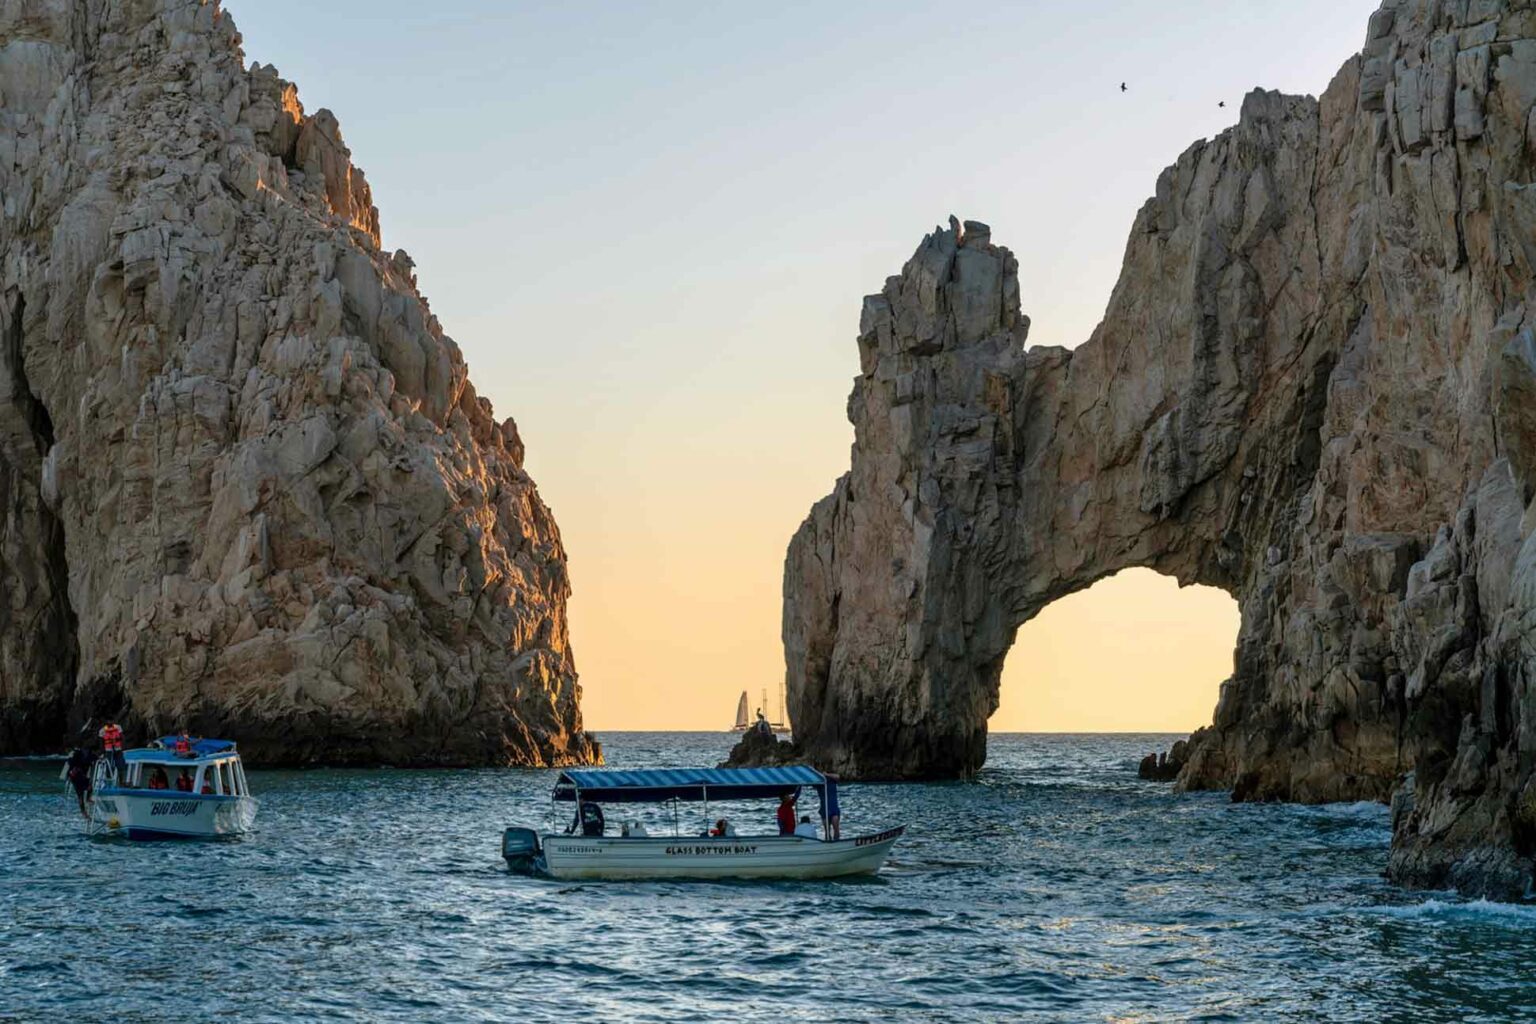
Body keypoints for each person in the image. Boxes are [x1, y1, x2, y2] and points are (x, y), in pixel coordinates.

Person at [64, 746, 96, 818]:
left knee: (89, 787)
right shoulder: (77, 755)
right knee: (80, 795)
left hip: (81, 775)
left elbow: (93, 758)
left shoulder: (89, 754)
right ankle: (83, 812)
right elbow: (70, 764)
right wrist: (69, 776)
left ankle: (88, 799)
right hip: (75, 777)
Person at [821, 773, 842, 840]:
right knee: (827, 832)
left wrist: (826, 774)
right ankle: (828, 844)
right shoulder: (819, 782)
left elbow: (838, 777)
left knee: (836, 830)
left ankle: (837, 843)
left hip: (833, 808)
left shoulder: (832, 779)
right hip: (824, 808)